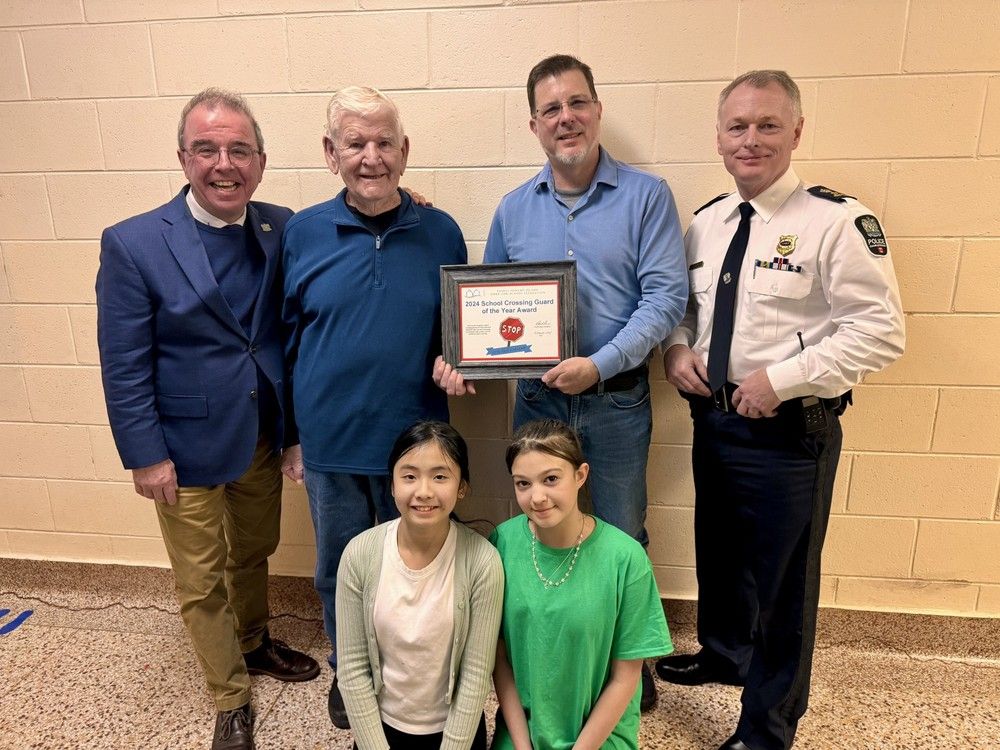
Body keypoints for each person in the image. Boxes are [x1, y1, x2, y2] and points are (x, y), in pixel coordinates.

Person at [654, 70, 905, 750]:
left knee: (785, 588)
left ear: (797, 132)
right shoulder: (706, 223)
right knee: (721, 556)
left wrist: (787, 378)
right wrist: (677, 353)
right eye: (737, 126)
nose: (751, 139)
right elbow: (684, 313)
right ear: (718, 137)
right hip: (715, 422)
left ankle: (768, 727)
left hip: (791, 435)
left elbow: (880, 330)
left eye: (768, 125)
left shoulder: (837, 222)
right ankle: (723, 654)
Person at [434, 54, 686, 710]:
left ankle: (629, 657)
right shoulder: (514, 210)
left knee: (623, 530)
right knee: (541, 522)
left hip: (615, 398)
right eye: (551, 109)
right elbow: (487, 306)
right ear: (534, 125)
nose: (565, 118)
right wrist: (464, 360)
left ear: (597, 110)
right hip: (540, 402)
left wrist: (597, 365)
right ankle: (548, 639)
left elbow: (664, 298)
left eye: (576, 103)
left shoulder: (647, 196)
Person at [96, 88, 319, 750]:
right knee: (200, 578)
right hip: (181, 446)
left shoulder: (283, 226)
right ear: (183, 157)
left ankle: (252, 643)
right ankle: (229, 696)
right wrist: (144, 453)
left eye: (239, 150)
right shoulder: (134, 242)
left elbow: (293, 322)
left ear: (260, 160)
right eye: (207, 149)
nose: (225, 164)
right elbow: (124, 361)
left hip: (260, 434)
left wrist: (407, 198)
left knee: (253, 550)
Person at [280, 86, 468, 728]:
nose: (371, 156)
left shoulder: (441, 230)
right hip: (330, 442)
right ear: (330, 153)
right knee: (339, 568)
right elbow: (282, 342)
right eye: (355, 143)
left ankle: (408, 672)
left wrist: (458, 363)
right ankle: (347, 671)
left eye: (384, 141)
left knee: (415, 567)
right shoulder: (301, 233)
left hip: (414, 448)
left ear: (405, 151)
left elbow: (457, 331)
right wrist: (290, 437)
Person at [490, 419, 672, 749]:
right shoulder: (502, 542)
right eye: (523, 484)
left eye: (551, 479)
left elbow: (626, 676)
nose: (537, 497)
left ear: (580, 475)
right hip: (523, 730)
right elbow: (500, 656)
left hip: (599, 734)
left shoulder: (625, 558)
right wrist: (521, 743)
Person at [335, 421, 504, 749]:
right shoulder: (360, 554)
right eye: (409, 476)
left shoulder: (482, 561)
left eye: (440, 476)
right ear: (393, 486)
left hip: (456, 733)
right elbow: (352, 667)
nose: (423, 491)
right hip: (381, 731)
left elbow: (476, 674)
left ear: (461, 487)